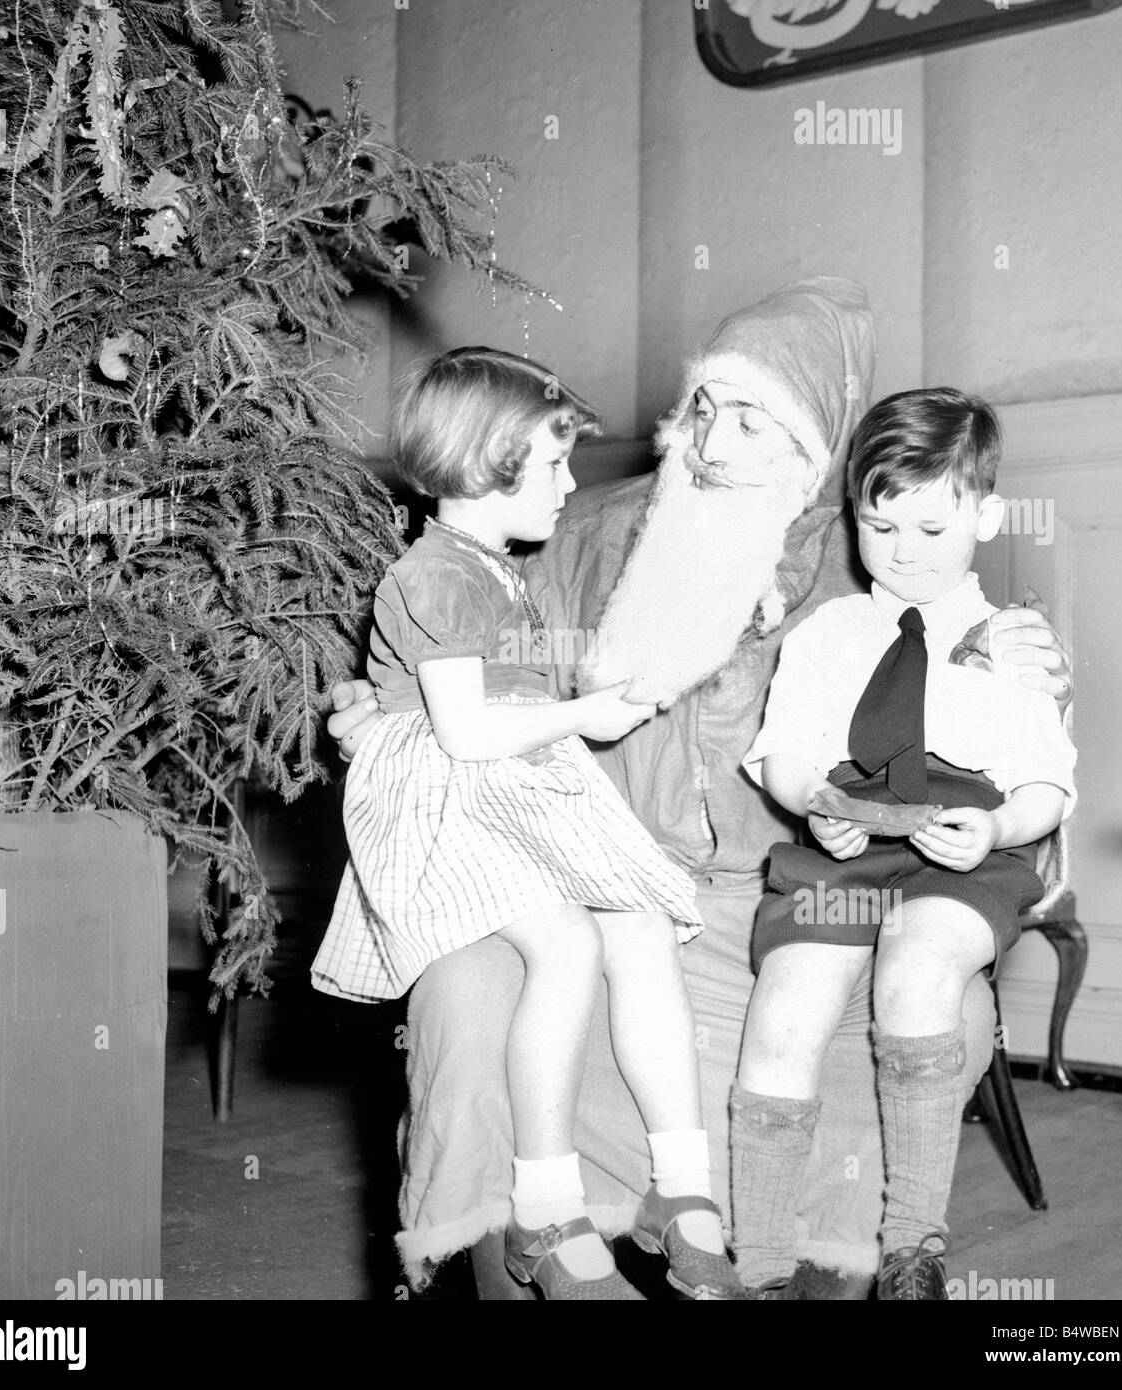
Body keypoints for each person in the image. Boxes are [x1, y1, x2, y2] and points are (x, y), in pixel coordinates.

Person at [326, 280, 1073, 1298]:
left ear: (817, 442)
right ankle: (511, 1258)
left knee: (901, 989)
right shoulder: (581, 534)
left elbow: (990, 709)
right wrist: (381, 707)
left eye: (754, 419)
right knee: (466, 996)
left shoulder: (868, 569)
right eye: (706, 410)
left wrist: (1025, 672)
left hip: (780, 891)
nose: (714, 443)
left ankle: (821, 1264)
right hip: (596, 870)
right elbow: (462, 666)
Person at [313, 346, 744, 1300]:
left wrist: (602, 694)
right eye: (552, 463)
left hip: (509, 781)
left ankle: (683, 1188)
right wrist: (583, 719)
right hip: (448, 797)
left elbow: (509, 693)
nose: (568, 481)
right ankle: (547, 1209)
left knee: (637, 926)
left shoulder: (493, 566)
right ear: (484, 465)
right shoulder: (433, 574)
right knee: (561, 947)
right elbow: (464, 733)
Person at [731, 387, 1077, 1300]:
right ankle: (761, 1265)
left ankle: (912, 1245)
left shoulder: (1012, 643)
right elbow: (784, 754)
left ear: (983, 514)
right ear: (853, 516)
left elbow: (1046, 782)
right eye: (880, 528)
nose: (903, 553)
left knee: (920, 967)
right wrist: (811, 800)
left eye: (930, 529)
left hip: (967, 860)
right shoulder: (824, 634)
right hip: (845, 848)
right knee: (785, 1007)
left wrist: (999, 826)